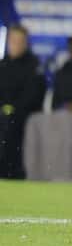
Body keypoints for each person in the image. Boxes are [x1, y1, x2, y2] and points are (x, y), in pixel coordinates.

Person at [0, 24, 47, 179]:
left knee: (9, 123)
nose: (16, 44)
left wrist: (11, 108)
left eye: (20, 41)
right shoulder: (3, 64)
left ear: (26, 43)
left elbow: (34, 96)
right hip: (3, 113)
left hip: (24, 115)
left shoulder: (34, 66)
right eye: (13, 40)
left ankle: (10, 173)